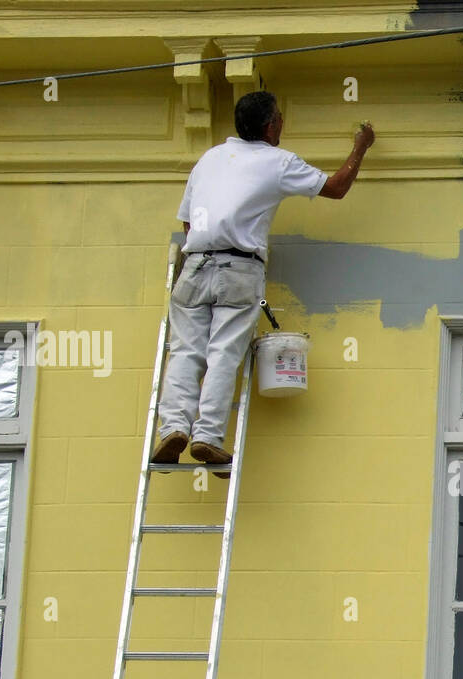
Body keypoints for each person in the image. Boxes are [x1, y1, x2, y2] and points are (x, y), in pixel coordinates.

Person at [154, 91, 375, 472]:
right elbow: (337, 187)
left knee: (187, 351)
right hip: (238, 270)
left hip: (193, 267)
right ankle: (206, 435)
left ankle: (173, 427)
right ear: (271, 125)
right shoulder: (277, 162)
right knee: (223, 351)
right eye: (281, 119)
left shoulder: (208, 159)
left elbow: (189, 223)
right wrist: (361, 145)